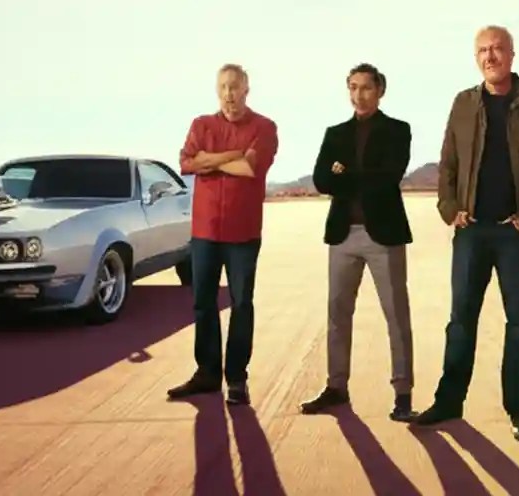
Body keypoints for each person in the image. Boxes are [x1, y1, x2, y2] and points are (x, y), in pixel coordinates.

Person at [411, 25, 519, 441]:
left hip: (516, 234)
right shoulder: (464, 103)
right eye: (482, 50)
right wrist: (449, 209)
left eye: (497, 48)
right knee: (460, 320)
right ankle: (448, 402)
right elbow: (447, 164)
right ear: (475, 57)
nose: (490, 56)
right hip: (472, 232)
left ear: (513, 54)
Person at [298, 63, 417, 422]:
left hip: (384, 236)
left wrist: (345, 174)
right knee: (337, 314)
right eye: (353, 87)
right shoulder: (335, 133)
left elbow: (388, 178)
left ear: (380, 90)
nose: (359, 95)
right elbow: (321, 179)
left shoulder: (398, 130)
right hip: (342, 235)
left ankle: (403, 394)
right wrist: (350, 177)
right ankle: (336, 387)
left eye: (366, 87)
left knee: (396, 315)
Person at [167, 63, 278, 406]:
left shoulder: (264, 127)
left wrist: (209, 160)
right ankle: (208, 373)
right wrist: (230, 156)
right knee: (203, 302)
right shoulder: (202, 124)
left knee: (241, 304)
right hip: (205, 231)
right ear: (218, 91)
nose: (230, 94)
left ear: (247, 89)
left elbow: (250, 168)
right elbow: (187, 163)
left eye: (235, 87)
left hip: (243, 233)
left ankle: (236, 378)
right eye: (224, 88)